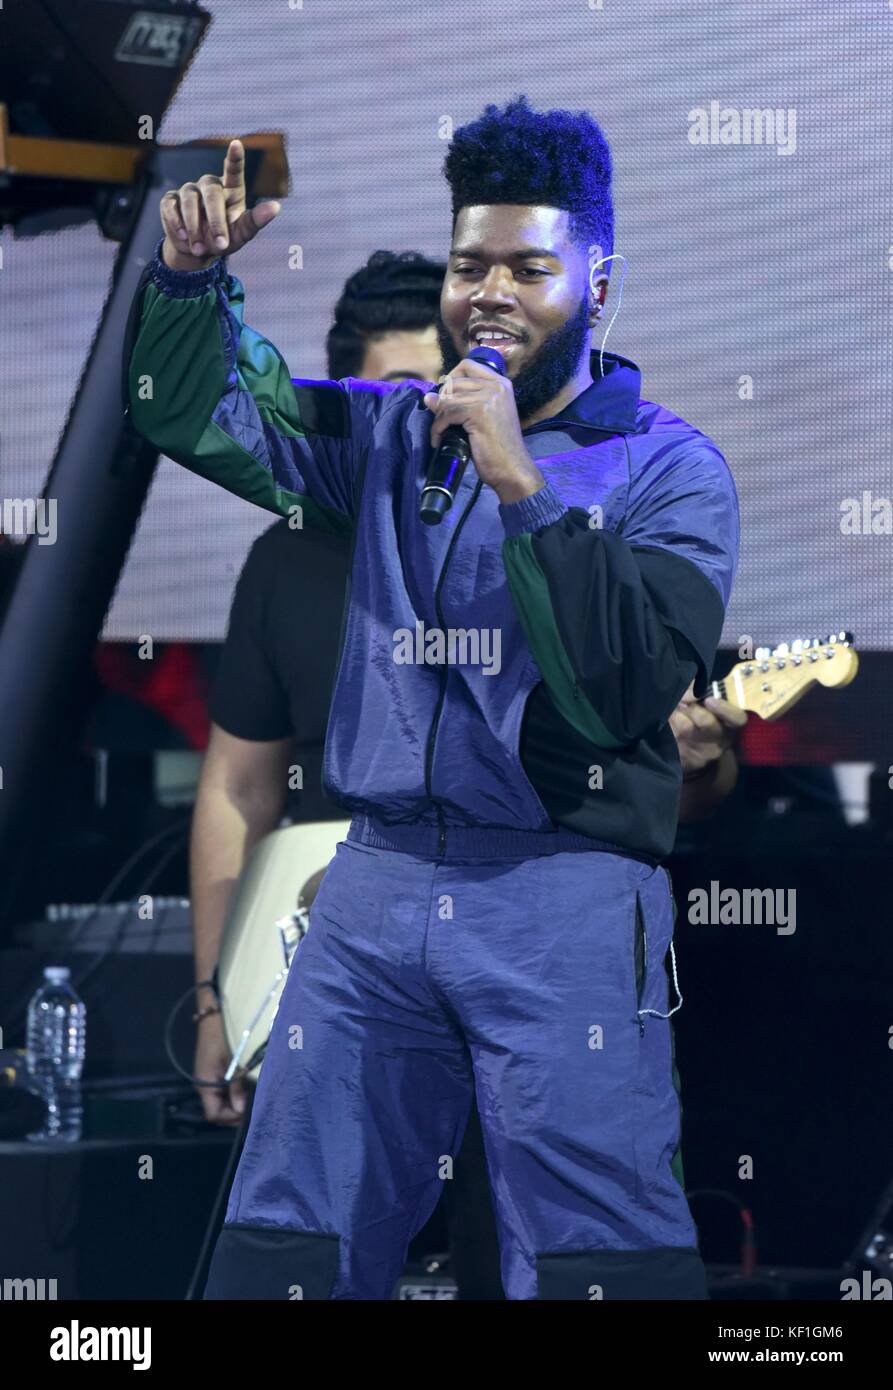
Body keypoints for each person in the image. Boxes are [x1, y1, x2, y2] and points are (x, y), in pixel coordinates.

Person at [126, 95, 740, 1301]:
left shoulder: (673, 469)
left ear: (596, 284)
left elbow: (617, 684)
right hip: (375, 887)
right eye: (469, 265)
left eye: (527, 265)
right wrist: (192, 287)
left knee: (589, 1253)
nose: (490, 291)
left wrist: (518, 479)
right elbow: (196, 412)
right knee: (291, 1237)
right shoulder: (392, 435)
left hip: (559, 892)